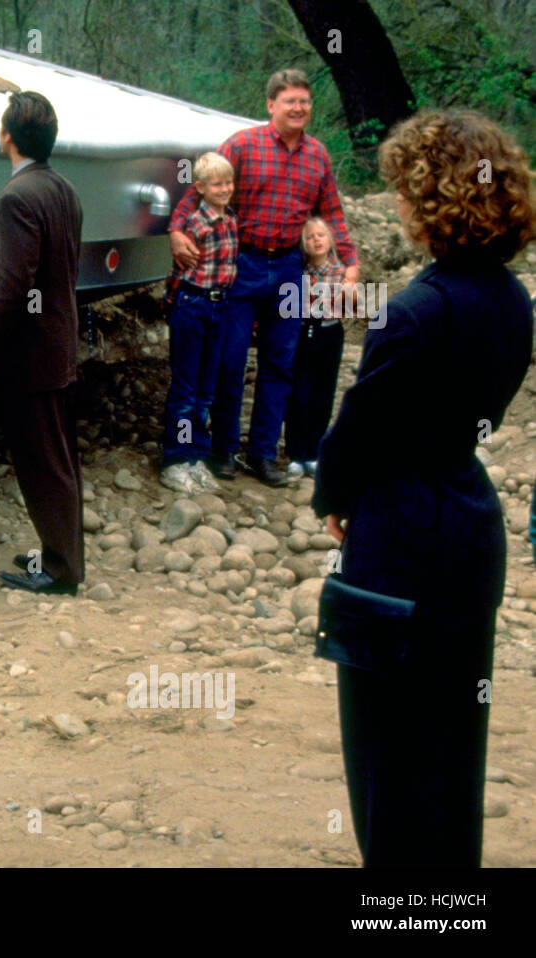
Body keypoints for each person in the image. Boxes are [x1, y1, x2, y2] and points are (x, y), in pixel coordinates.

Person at [313, 109, 536, 866]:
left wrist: (334, 496)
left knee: (387, 761)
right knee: (449, 756)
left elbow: (359, 428)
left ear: (433, 196)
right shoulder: (513, 301)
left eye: (406, 187)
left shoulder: (416, 312)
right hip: (469, 529)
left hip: (401, 537)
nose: (399, 202)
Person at [169, 69, 359, 487]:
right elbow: (197, 192)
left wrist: (351, 263)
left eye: (305, 102)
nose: (298, 108)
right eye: (289, 101)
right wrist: (177, 231)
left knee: (280, 363)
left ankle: (263, 453)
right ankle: (223, 449)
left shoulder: (318, 156)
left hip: (290, 266)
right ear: (271, 104)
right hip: (243, 263)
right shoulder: (241, 145)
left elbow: (332, 213)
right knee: (231, 360)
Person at [0, 91, 84, 595]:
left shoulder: (18, 196)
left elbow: (12, 288)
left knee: (43, 461)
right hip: (56, 342)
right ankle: (61, 553)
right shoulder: (63, 189)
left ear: (7, 135)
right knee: (59, 456)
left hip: (31, 352)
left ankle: (60, 570)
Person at [159, 151, 237, 495]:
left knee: (206, 390)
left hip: (220, 306)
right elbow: (179, 272)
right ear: (201, 188)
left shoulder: (232, 220)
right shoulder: (194, 224)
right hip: (192, 305)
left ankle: (197, 456)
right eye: (217, 184)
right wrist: (175, 304)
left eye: (229, 183)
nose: (224, 189)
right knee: (186, 389)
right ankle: (176, 458)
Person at [284, 217, 354, 478]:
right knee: (298, 392)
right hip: (303, 331)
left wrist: (349, 294)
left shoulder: (341, 271)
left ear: (330, 240)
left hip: (330, 332)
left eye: (320, 235)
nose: (316, 240)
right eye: (310, 236)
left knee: (323, 394)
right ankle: (295, 452)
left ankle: (314, 452)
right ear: (304, 242)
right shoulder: (298, 269)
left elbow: (353, 306)